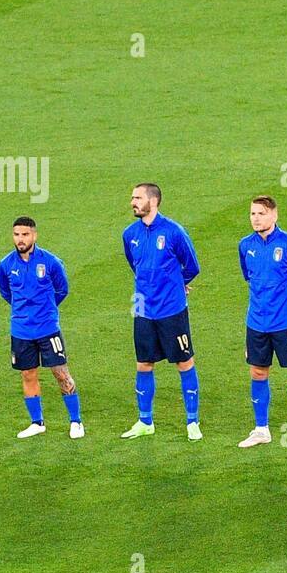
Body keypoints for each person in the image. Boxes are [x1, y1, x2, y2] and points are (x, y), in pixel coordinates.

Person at [119, 183, 203, 441]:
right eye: (132, 197)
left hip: (172, 308)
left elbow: (192, 266)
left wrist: (177, 284)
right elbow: (136, 266)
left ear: (152, 201)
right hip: (142, 307)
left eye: (137, 198)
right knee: (144, 363)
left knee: (184, 362)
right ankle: (145, 421)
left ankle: (192, 422)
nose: (132, 202)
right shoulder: (129, 233)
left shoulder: (174, 231)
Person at [237, 196, 287, 450]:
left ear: (274, 215)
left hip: (286, 323)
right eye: (252, 214)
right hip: (257, 323)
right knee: (258, 372)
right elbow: (248, 276)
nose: (256, 218)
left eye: (261, 213)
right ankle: (261, 430)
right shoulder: (245, 245)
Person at [0, 216, 84, 439]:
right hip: (21, 330)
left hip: (47, 328)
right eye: (16, 234)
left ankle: (76, 422)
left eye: (25, 234)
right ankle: (37, 423)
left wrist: (46, 311)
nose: (20, 239)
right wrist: (23, 311)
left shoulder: (51, 262)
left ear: (34, 235)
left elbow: (62, 289)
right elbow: (6, 292)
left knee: (60, 373)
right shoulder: (6, 265)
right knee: (27, 374)